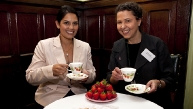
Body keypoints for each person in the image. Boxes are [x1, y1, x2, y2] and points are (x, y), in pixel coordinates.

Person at [106, 2, 175, 109]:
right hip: (125, 101)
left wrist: (158, 83)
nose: (123, 26)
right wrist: (115, 78)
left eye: (128, 21)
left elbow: (170, 79)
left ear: (139, 21)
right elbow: (109, 76)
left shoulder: (157, 44)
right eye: (119, 22)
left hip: (153, 101)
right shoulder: (117, 46)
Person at [26, 5, 96, 108]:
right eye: (66, 23)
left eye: (75, 23)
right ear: (57, 24)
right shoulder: (44, 45)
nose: (71, 28)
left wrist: (86, 76)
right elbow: (30, 77)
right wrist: (51, 71)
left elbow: (92, 75)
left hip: (78, 95)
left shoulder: (85, 47)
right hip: (50, 96)